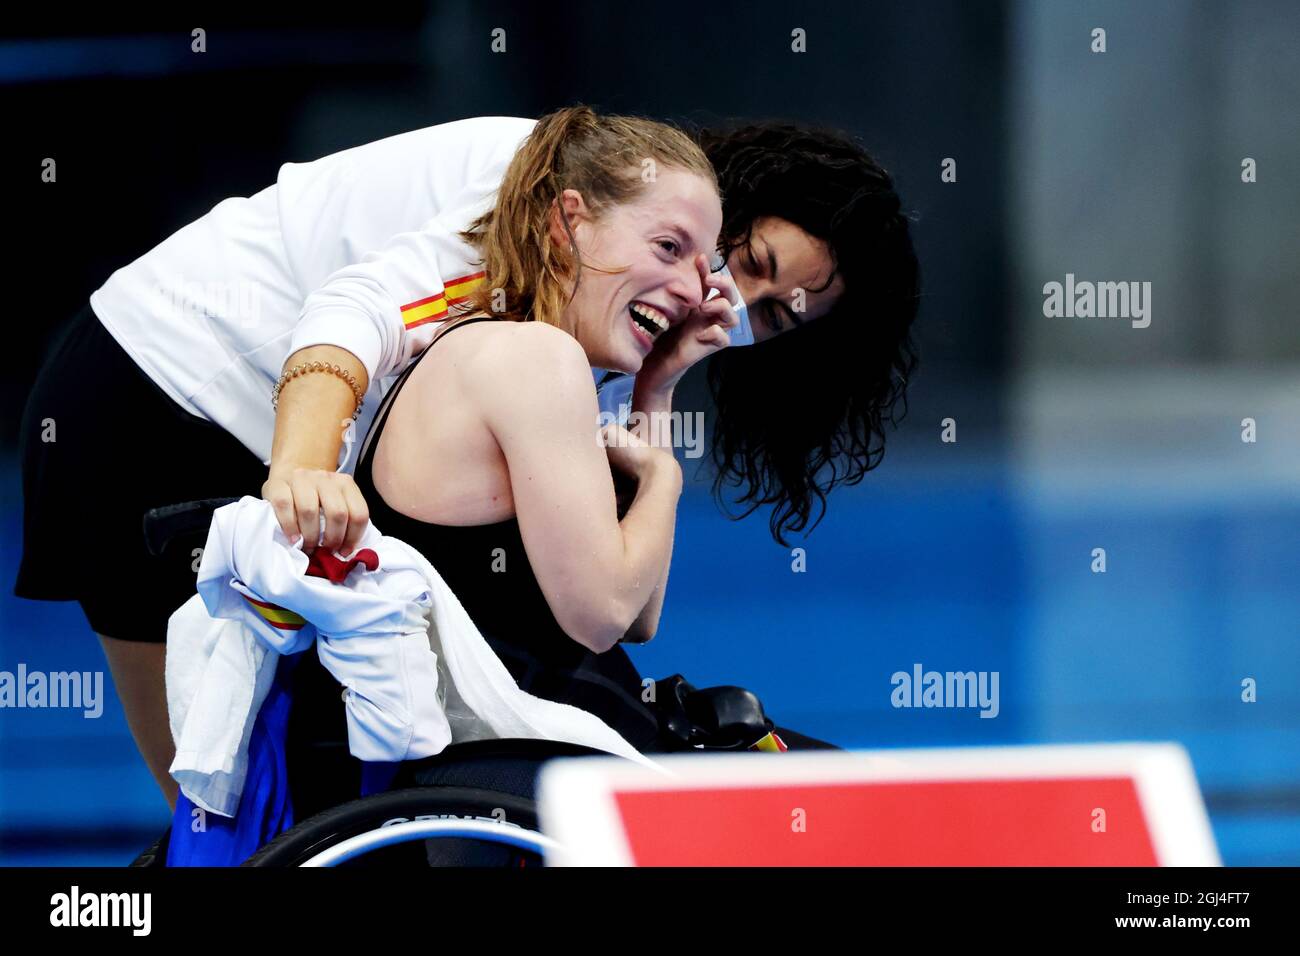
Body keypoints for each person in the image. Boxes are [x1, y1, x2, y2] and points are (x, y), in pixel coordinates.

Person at [15, 107, 913, 806]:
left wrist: (656, 402)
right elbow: (350, 317)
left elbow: (617, 600)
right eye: (750, 259)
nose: (736, 296)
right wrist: (300, 467)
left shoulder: (603, 322)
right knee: (210, 804)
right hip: (150, 389)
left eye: (780, 314)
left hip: (268, 409)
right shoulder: (542, 202)